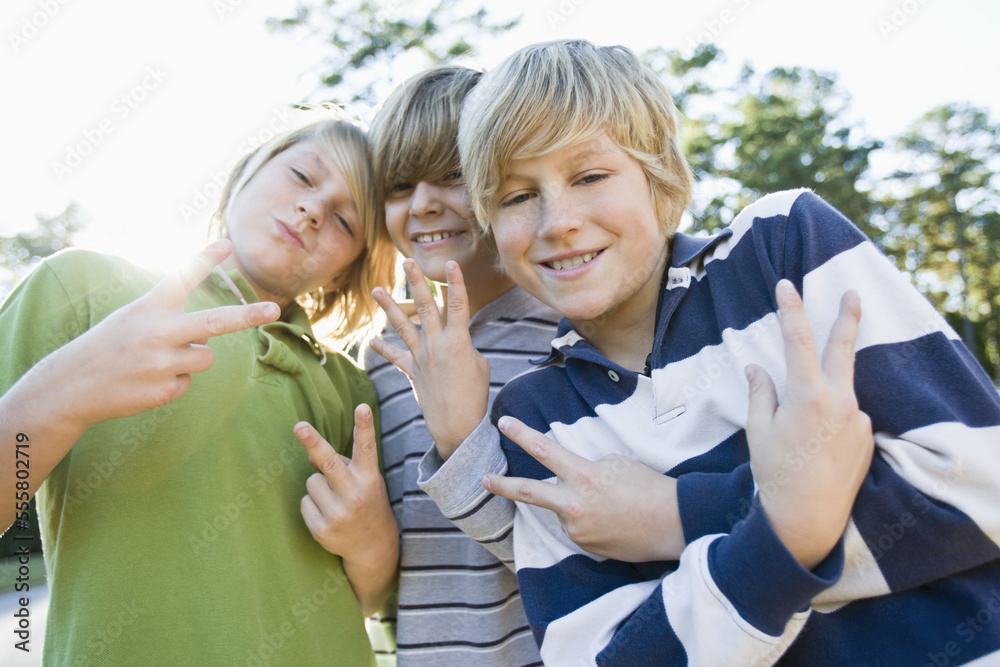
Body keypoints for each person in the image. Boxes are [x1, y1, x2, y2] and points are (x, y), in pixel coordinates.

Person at [373, 40, 1000, 665]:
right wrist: (782, 536)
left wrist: (677, 516)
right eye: (516, 196)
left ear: (661, 179)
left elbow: (980, 485)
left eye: (590, 176)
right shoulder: (537, 419)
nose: (557, 220)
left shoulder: (780, 250)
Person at [0, 107, 400, 665]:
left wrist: (374, 545)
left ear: (343, 271)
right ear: (244, 175)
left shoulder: (355, 389)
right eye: (303, 177)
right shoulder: (87, 288)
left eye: (345, 222)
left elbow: (367, 598)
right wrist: (64, 393)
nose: (312, 209)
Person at [363, 65, 559, 666]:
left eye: (451, 175)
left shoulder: (568, 332)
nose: (423, 205)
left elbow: (581, 549)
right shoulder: (379, 360)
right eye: (398, 186)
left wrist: (463, 436)